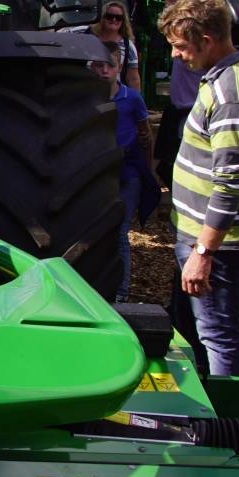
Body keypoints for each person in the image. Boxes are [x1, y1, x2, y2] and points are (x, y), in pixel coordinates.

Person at [160, 0, 239, 375]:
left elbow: (230, 181)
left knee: (217, 333)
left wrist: (203, 253)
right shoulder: (225, 77)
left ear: (207, 40)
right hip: (201, 235)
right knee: (196, 330)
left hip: (214, 242)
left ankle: (228, 426)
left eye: (181, 46)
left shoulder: (230, 96)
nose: (175, 55)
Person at [95, 41, 156, 303]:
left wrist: (148, 172)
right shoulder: (86, 99)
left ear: (119, 67)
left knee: (120, 233)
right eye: (98, 65)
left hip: (127, 172)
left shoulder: (132, 99)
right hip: (98, 173)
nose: (103, 71)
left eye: (109, 65)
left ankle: (120, 292)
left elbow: (145, 134)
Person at [152, 0, 211, 189]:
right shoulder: (187, 26)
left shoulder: (202, 29)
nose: (167, 2)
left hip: (193, 114)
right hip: (179, 110)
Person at [94, 0, 143, 93]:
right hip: (87, 93)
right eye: (109, 16)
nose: (114, 19)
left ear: (123, 21)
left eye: (118, 17)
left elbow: (133, 78)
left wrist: (135, 101)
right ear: (102, 17)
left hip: (114, 95)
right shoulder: (87, 35)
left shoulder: (128, 45)